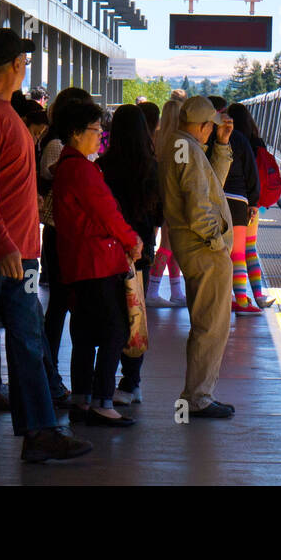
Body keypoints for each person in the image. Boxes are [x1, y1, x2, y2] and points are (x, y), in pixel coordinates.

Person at [0, 28, 91, 464]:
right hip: (1, 253)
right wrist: (8, 244)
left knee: (19, 341)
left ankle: (38, 430)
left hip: (12, 250)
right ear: (15, 65)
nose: (25, 68)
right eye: (24, 62)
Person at [51, 100, 141, 427]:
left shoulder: (69, 166)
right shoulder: (81, 169)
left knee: (86, 333)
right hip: (97, 263)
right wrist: (132, 240)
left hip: (79, 264)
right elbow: (106, 212)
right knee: (115, 329)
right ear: (76, 133)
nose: (100, 133)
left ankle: (82, 400)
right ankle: (103, 401)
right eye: (94, 128)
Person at [158, 95, 235, 419]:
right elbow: (198, 201)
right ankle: (198, 398)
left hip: (195, 248)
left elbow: (210, 186)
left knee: (207, 322)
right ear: (203, 126)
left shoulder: (181, 145)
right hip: (204, 250)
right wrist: (215, 241)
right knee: (211, 325)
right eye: (211, 129)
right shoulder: (186, 149)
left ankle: (197, 394)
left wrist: (221, 148)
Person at [99, 104, 162, 405]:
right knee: (136, 314)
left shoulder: (102, 166)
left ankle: (102, 384)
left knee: (112, 317)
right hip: (141, 253)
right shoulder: (152, 168)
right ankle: (131, 382)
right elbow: (161, 215)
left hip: (108, 252)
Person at [37, 86, 96, 395]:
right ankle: (50, 376)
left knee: (63, 305)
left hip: (66, 234)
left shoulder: (59, 144)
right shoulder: (58, 148)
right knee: (61, 305)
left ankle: (54, 376)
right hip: (62, 233)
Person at [207, 97, 262, 315]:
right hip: (238, 200)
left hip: (214, 200)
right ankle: (241, 300)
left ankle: (223, 297)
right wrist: (254, 201)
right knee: (238, 253)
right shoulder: (238, 138)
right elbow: (251, 172)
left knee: (218, 253)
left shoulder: (206, 139)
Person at [228, 102, 275, 309]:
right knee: (249, 249)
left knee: (234, 253)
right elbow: (258, 174)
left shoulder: (226, 139)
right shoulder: (256, 143)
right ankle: (257, 295)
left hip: (229, 201)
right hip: (249, 204)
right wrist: (255, 202)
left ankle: (240, 298)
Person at [147, 97, 186, 308]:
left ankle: (175, 290)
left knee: (168, 244)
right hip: (173, 196)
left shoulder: (156, 136)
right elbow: (182, 171)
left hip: (157, 194)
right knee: (169, 245)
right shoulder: (180, 141)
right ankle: (154, 290)